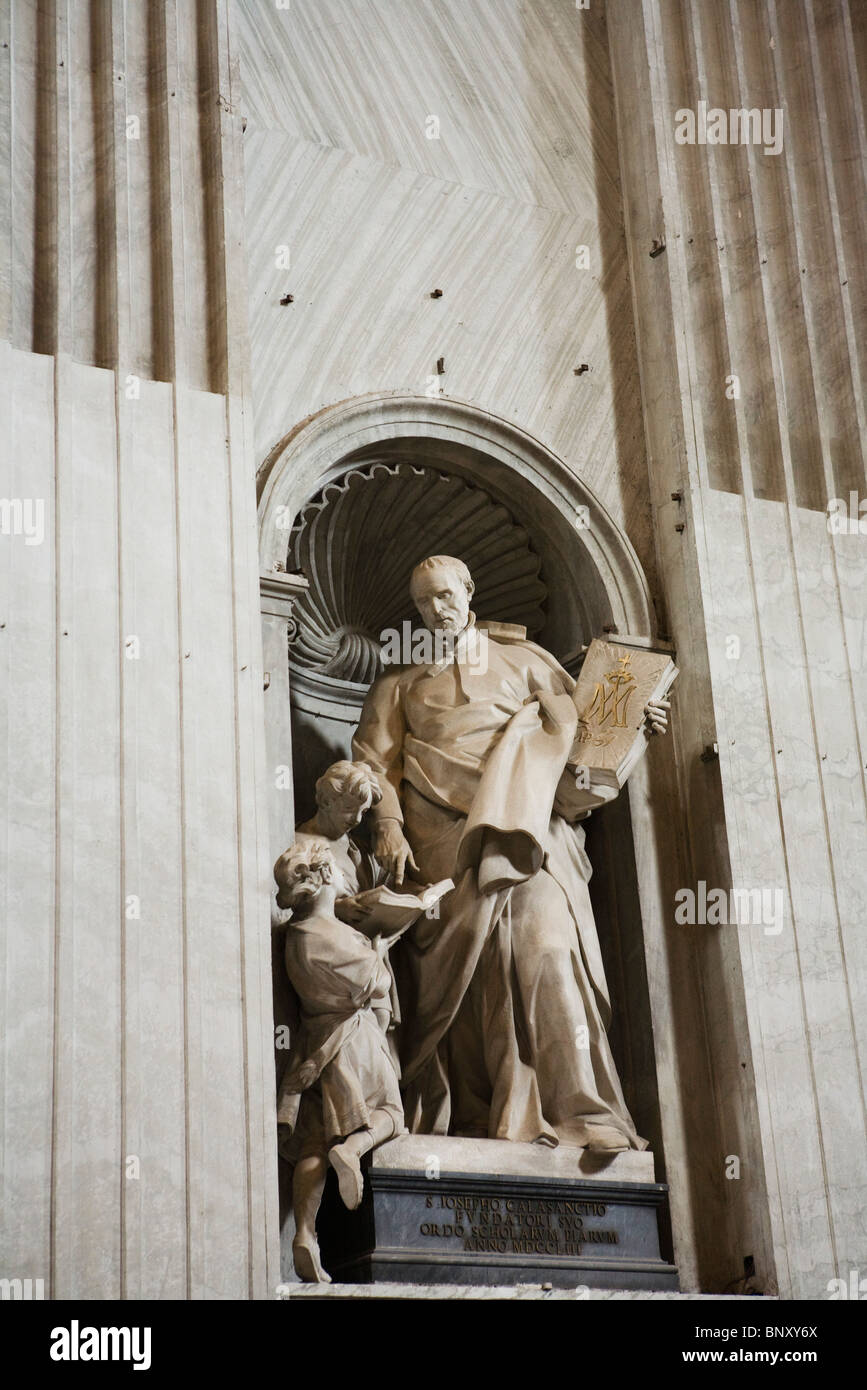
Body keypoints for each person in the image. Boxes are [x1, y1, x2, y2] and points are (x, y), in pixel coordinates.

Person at [352, 555, 670, 1153]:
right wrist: (389, 827)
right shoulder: (398, 685)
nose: (436, 609)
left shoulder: (527, 662)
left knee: (550, 951)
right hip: (445, 850)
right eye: (424, 602)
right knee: (480, 979)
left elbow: (588, 750)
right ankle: (490, 1119)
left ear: (469, 590)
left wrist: (636, 728)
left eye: (445, 595)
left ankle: (583, 1109)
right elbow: (375, 766)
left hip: (530, 836)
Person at [273, 839, 405, 1283]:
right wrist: (382, 950)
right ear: (328, 877)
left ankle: (306, 1235)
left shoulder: (298, 935)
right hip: (354, 1039)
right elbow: (377, 986)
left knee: (312, 1143)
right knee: (389, 1114)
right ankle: (354, 1148)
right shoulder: (329, 935)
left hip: (315, 1047)